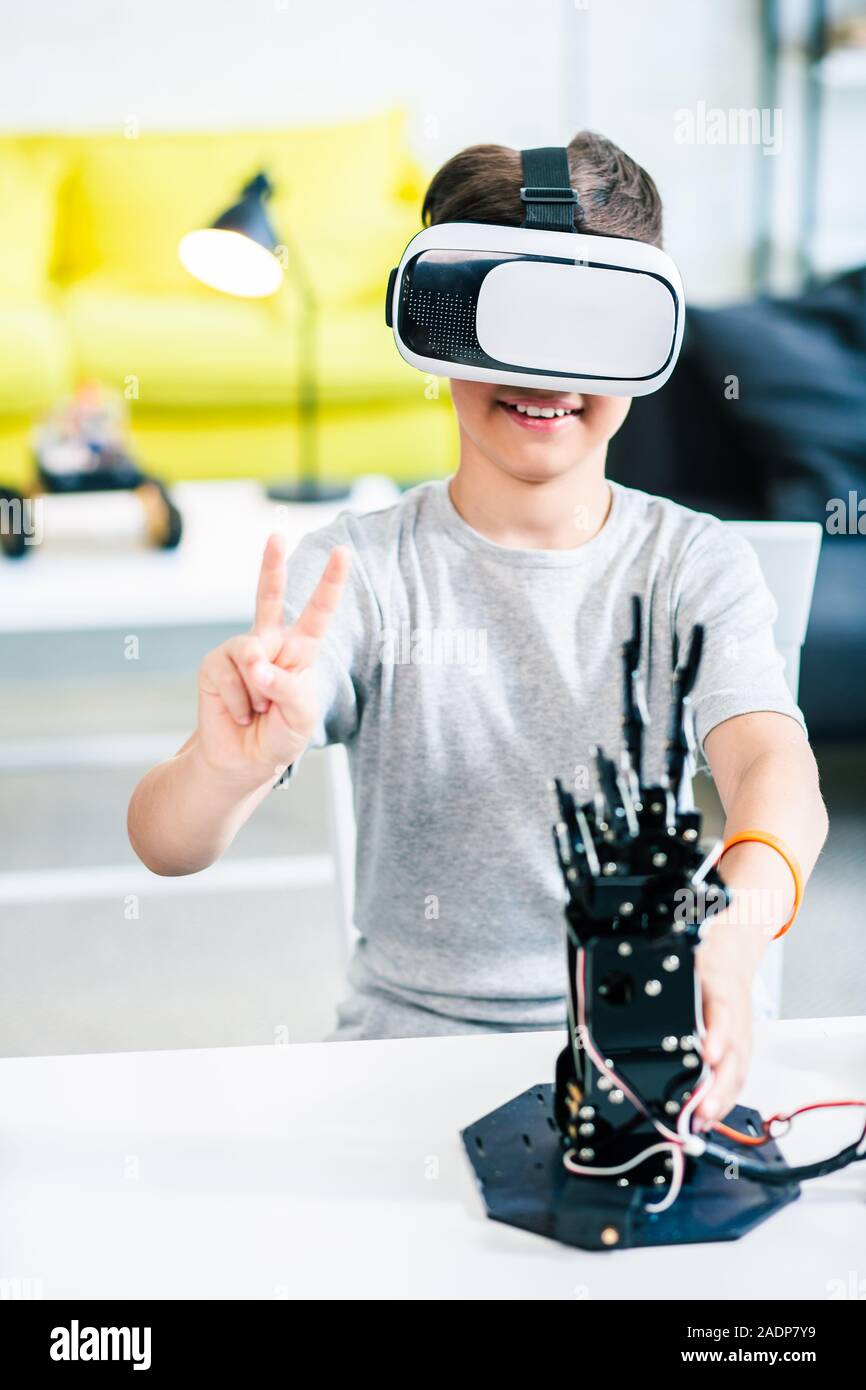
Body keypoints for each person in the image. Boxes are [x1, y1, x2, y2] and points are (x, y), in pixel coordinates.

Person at [128, 132, 828, 1124]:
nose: (544, 374)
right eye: (506, 321)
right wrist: (224, 763)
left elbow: (779, 780)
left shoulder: (691, 566)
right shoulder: (354, 573)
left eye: (585, 328)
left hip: (638, 1053)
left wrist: (734, 931)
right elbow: (165, 840)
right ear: (441, 324)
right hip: (405, 1066)